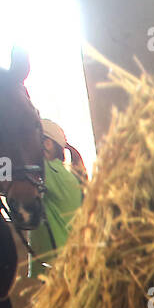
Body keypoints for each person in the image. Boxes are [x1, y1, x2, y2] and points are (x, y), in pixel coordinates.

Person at [28, 118, 87, 276]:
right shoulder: (62, 174)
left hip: (61, 268)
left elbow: (15, 163)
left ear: (47, 144)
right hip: (63, 267)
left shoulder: (50, 171)